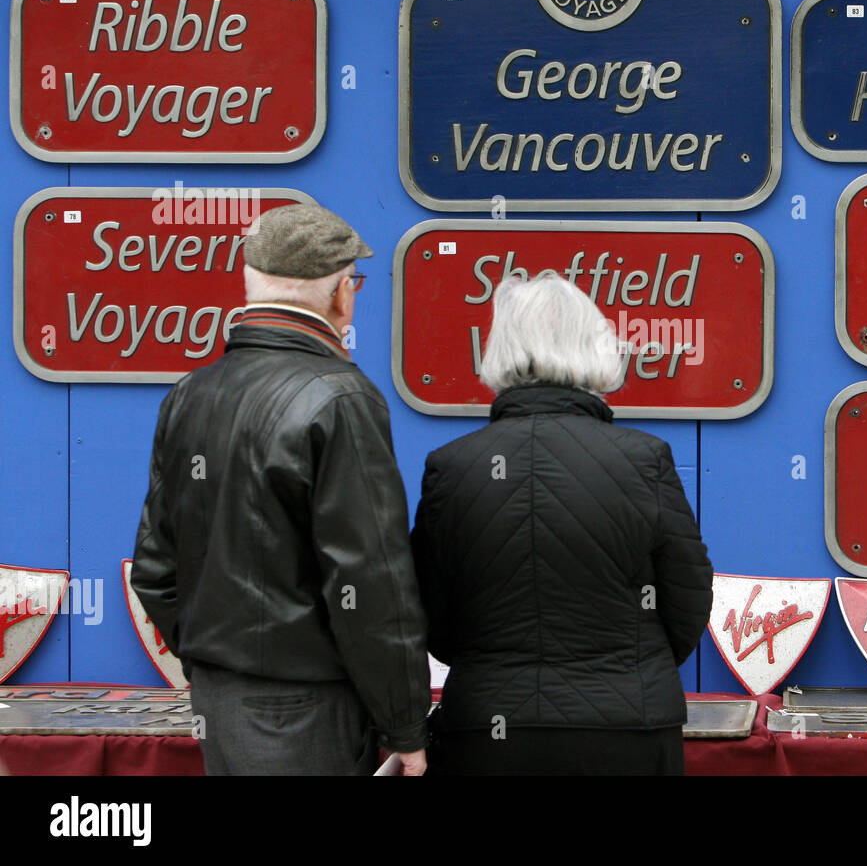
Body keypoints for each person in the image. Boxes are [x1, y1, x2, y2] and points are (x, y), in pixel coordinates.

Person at [132, 204, 430, 776]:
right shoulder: (342, 396)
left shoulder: (191, 392)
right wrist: (406, 724)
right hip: (309, 708)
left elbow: (154, 568)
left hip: (221, 703)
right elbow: (370, 582)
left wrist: (217, 664)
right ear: (344, 293)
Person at [411, 272, 713, 775]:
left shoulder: (452, 466)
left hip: (488, 729)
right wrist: (631, 668)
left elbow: (430, 612)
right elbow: (687, 596)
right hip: (625, 729)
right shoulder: (644, 459)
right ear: (596, 347)